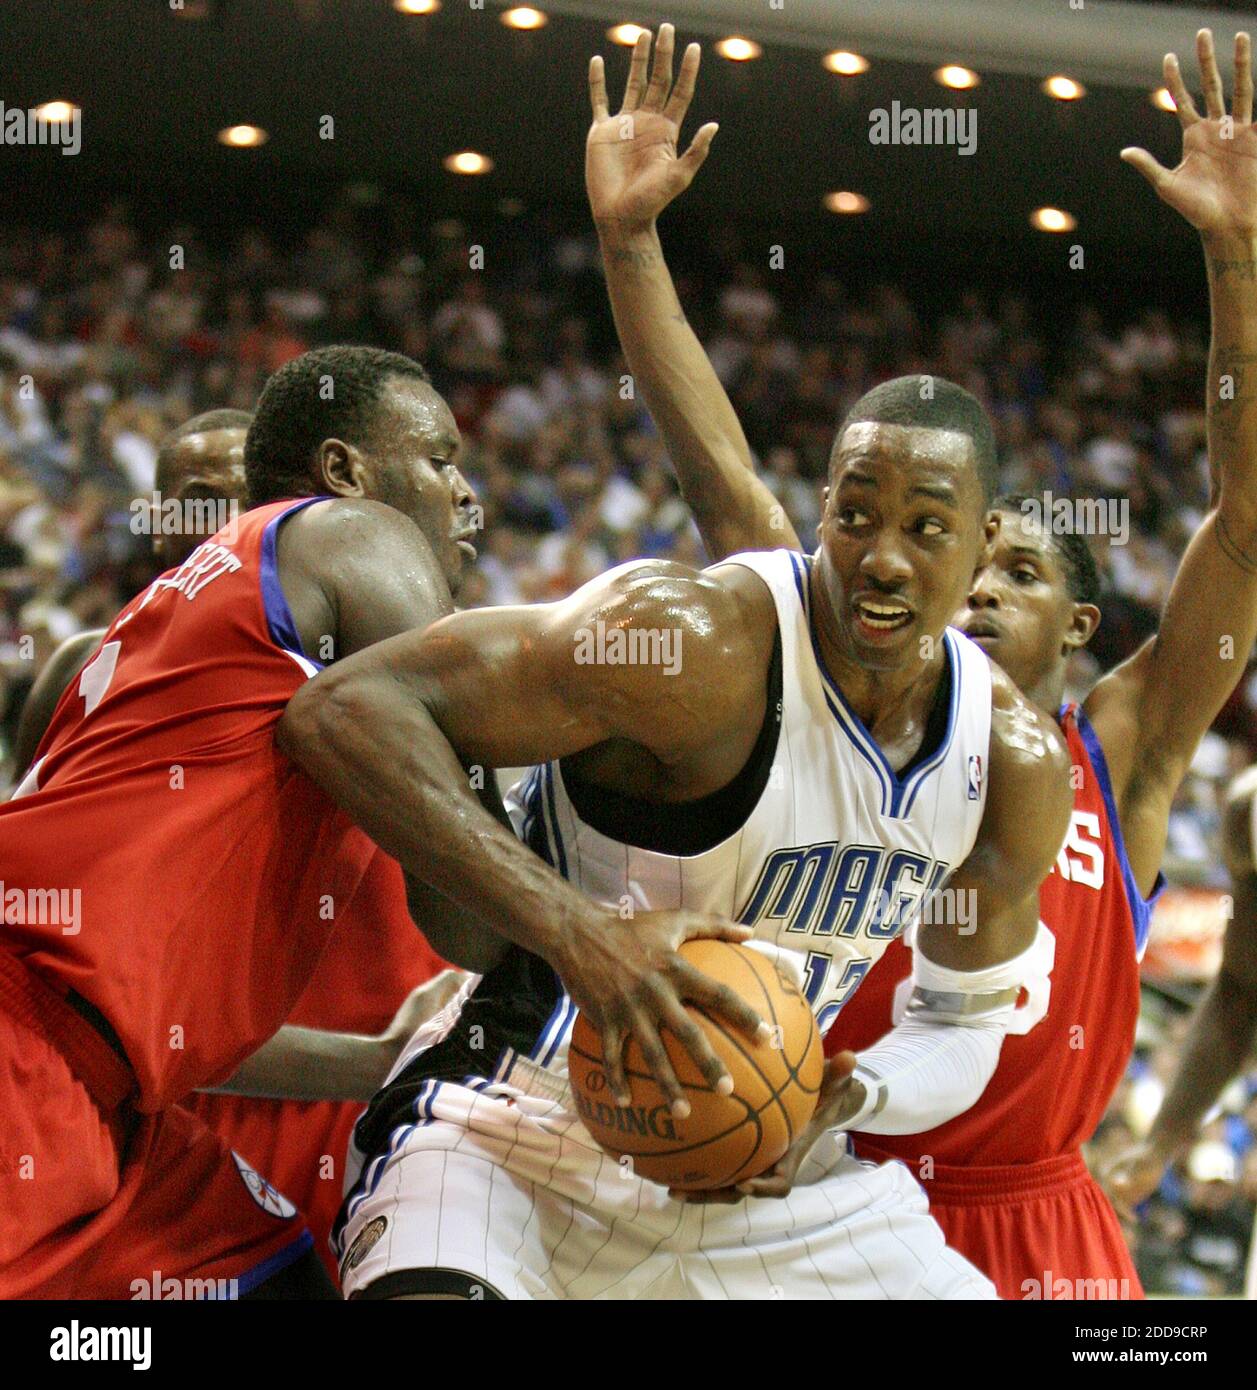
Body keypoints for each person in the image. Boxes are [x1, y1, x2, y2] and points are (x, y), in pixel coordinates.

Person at [306, 34, 1076, 1303]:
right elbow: (347, 709)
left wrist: (849, 1088)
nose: (881, 557)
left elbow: (962, 1019)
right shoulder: (698, 646)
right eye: (855, 513)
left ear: (982, 543)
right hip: (521, 1126)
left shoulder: (1010, 766)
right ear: (819, 507)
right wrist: (578, 939)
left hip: (769, 1179)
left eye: (926, 529)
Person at [584, 25, 1257, 1301]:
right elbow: (719, 468)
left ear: (1081, 630)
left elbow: (1247, 521)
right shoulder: (823, 665)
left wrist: (1235, 255)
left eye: (1020, 574)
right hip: (819, 1191)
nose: (975, 586)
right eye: (969, 562)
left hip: (1034, 1221)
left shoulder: (1121, 750)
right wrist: (630, 246)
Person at [1, 345, 753, 1298]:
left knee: (272, 1275)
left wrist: (377, 1056)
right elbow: (470, 926)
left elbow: (152, 1015)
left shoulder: (163, 629)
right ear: (348, 473)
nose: (467, 495)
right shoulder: (355, 538)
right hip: (27, 1075)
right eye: (440, 461)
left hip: (114, 1088)